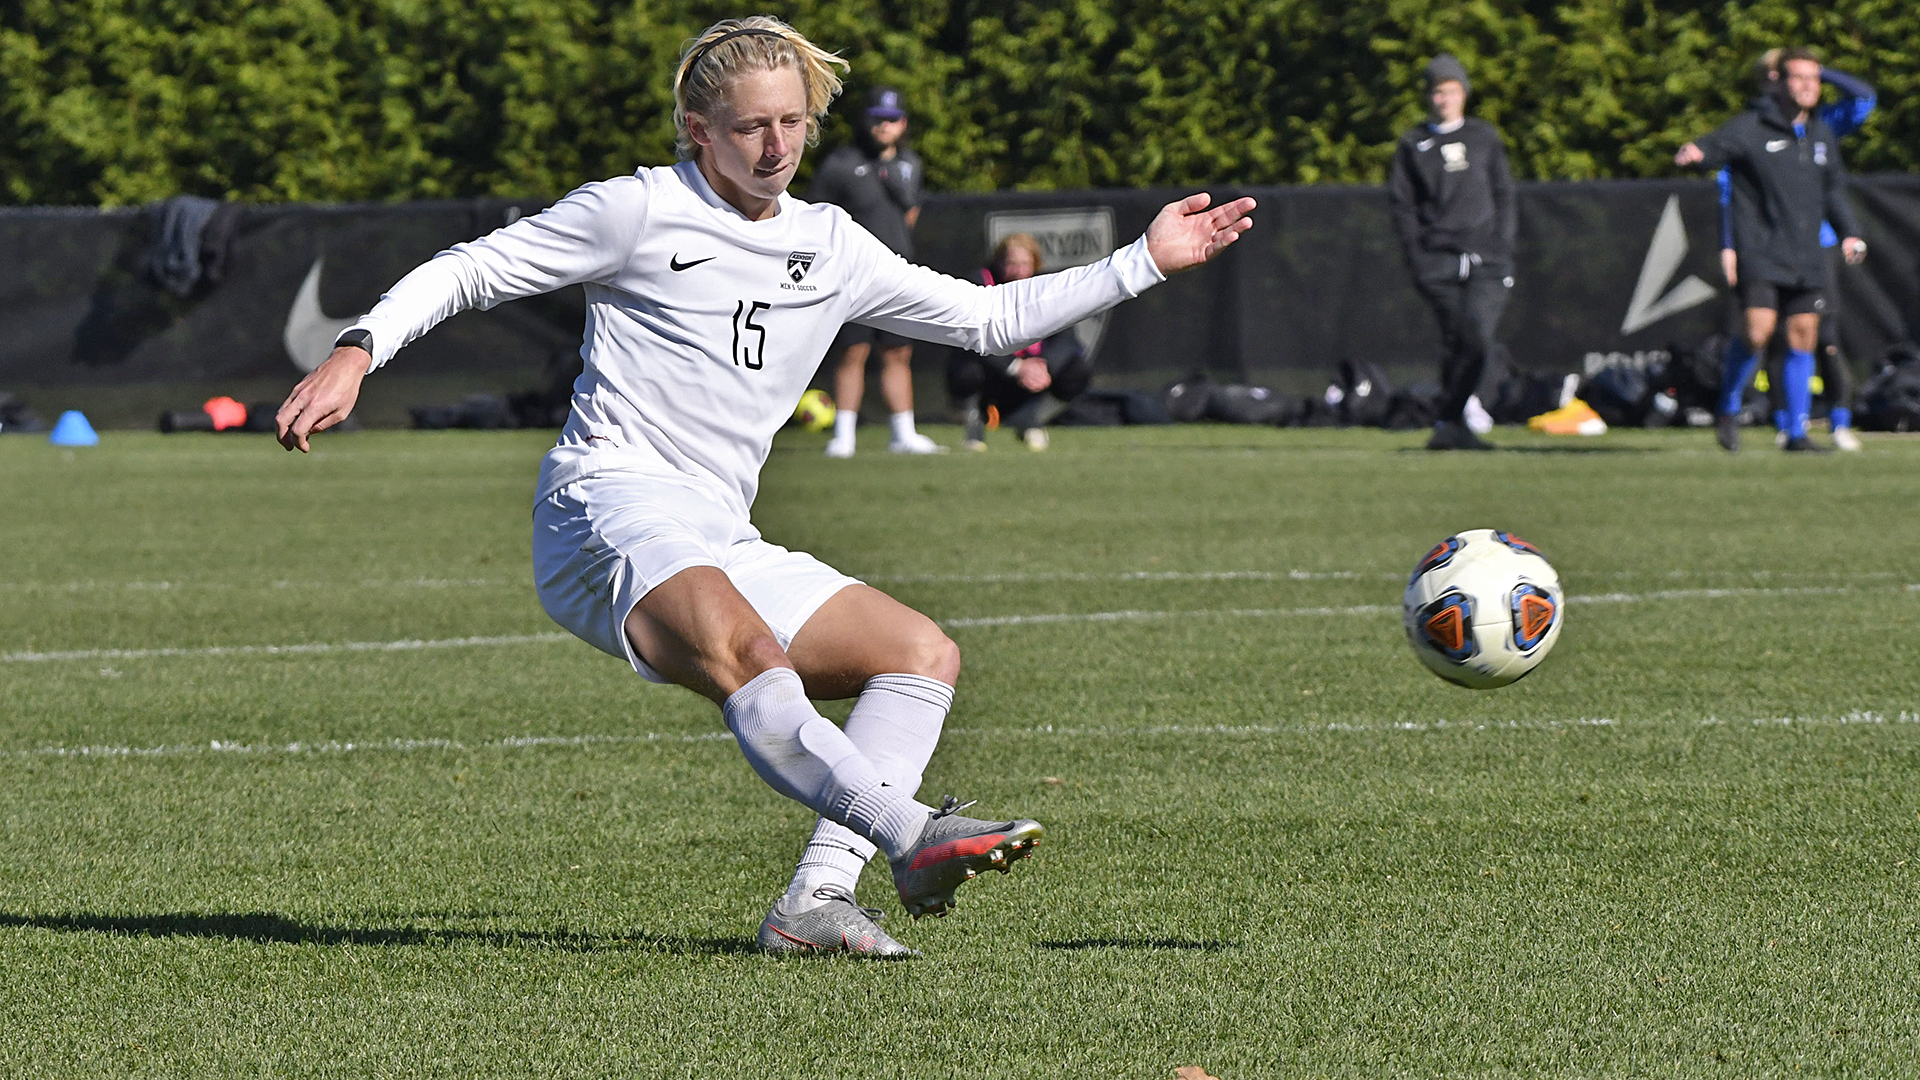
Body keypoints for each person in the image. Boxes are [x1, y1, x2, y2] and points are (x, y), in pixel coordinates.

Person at [272, 16, 1255, 958]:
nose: (775, 143)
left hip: (714, 530)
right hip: (605, 506)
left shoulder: (831, 242)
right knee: (752, 653)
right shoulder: (637, 209)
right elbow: (471, 271)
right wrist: (360, 350)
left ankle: (816, 901)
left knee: (919, 654)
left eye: (791, 121)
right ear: (700, 131)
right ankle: (914, 833)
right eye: (749, 125)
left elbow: (985, 320)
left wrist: (1141, 262)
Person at [1678, 46, 1867, 453]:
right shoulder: (1753, 126)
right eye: (1798, 77)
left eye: (1814, 79)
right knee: (1758, 331)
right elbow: (1713, 147)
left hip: (1807, 254)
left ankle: (1795, 434)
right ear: (1778, 82)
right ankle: (1728, 406)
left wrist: (1849, 232)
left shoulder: (1821, 132)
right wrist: (1696, 154)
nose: (1807, 86)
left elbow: (1833, 189)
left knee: (1803, 337)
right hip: (1761, 250)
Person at [1387, 53, 1517, 452]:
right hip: (1438, 261)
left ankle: (1454, 413)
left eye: (1452, 90)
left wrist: (1503, 247)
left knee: (1476, 336)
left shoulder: (1484, 137)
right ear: (1428, 96)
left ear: (1464, 93)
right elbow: (1402, 206)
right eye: (1438, 92)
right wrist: (1417, 258)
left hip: (1486, 260)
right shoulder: (1413, 144)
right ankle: (1454, 425)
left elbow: (1504, 194)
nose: (1445, 99)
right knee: (1454, 340)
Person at [807, 86, 938, 457]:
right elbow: (817, 217)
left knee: (898, 352)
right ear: (865, 120)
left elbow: (911, 214)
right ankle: (843, 435)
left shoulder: (910, 164)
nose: (885, 126)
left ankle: (903, 433)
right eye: (878, 118)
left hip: (897, 274)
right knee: (854, 350)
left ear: (903, 123)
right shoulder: (840, 164)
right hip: (851, 276)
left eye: (892, 119)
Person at [948, 233, 1091, 451]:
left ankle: (1030, 420)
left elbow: (1068, 339)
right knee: (966, 367)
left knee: (1077, 370)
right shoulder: (980, 285)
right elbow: (971, 334)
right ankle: (974, 428)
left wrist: (1044, 366)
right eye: (1011, 264)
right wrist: (1016, 367)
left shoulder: (1047, 288)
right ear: (999, 262)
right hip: (994, 373)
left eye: (1025, 264)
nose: (1018, 272)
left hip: (1033, 379)